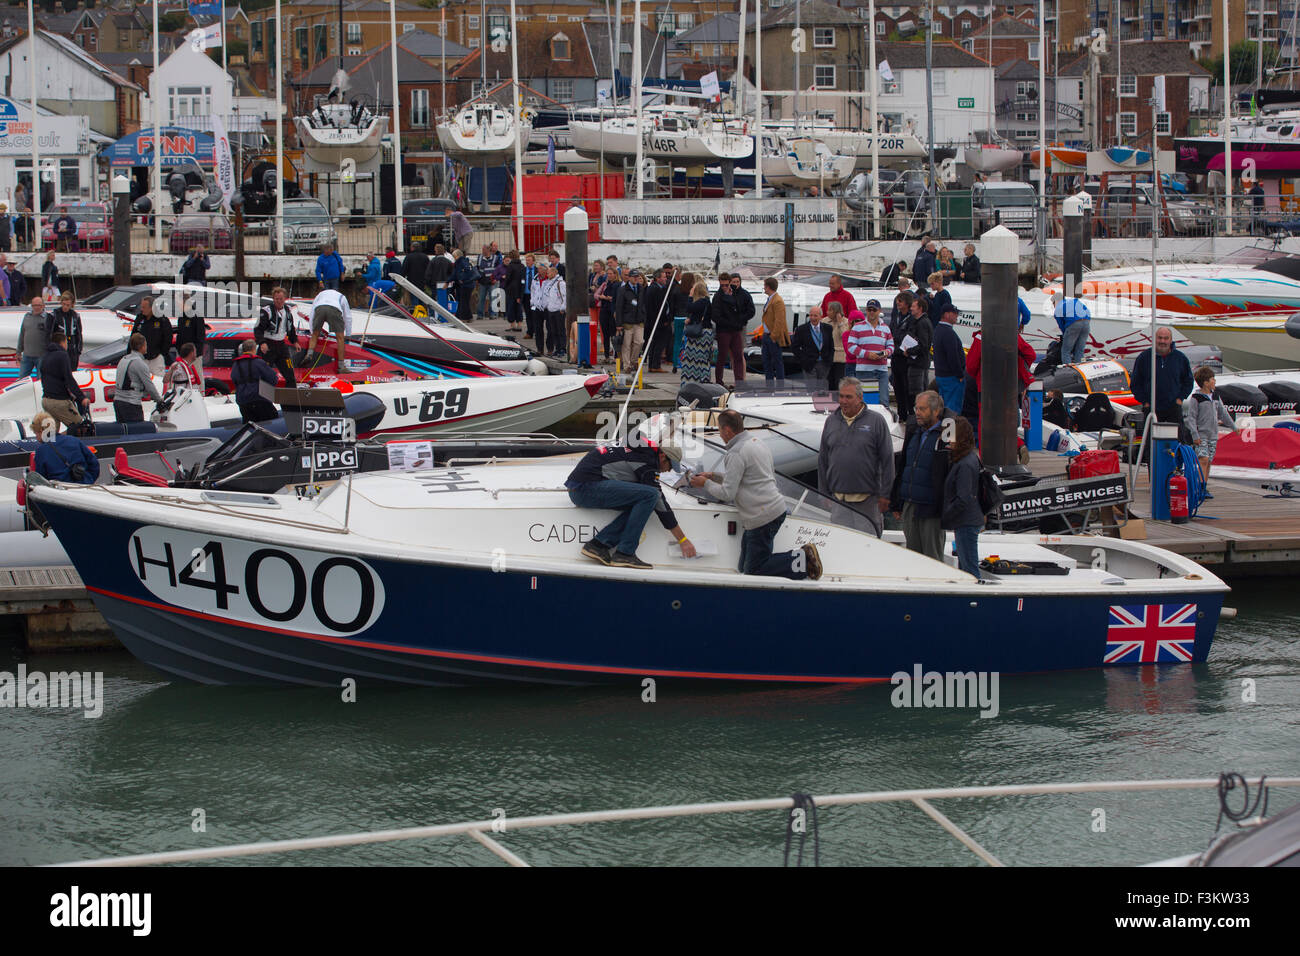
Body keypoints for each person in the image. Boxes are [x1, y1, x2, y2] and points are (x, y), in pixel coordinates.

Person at [688, 410, 823, 579]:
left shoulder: (735, 453)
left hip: (761, 518)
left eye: (720, 430)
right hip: (773, 510)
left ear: (728, 430)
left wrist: (705, 484)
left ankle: (803, 558)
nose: (720, 434)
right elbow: (746, 478)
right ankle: (798, 559)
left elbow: (727, 494)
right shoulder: (756, 442)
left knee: (753, 570)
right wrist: (713, 476)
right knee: (743, 567)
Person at [565, 438, 696, 570]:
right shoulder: (647, 462)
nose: (669, 471)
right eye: (671, 466)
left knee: (645, 503)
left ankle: (598, 545)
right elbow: (659, 501)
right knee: (651, 496)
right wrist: (682, 540)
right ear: (662, 456)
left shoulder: (642, 451)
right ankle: (625, 553)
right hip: (584, 489)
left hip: (581, 487)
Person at [818, 377, 895, 536]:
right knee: (841, 546)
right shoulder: (831, 421)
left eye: (849, 397)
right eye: (841, 396)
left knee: (868, 548)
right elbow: (823, 459)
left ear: (860, 398)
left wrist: (885, 495)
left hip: (868, 502)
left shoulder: (876, 421)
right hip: (838, 502)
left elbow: (888, 460)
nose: (844, 401)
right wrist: (823, 492)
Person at [892, 390, 953, 561]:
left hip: (932, 507)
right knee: (913, 557)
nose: (917, 412)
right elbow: (904, 465)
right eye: (916, 408)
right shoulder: (914, 430)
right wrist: (897, 501)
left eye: (923, 409)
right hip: (910, 503)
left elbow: (951, 469)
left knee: (932, 557)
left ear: (935, 411)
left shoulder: (948, 432)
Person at [1184, 365, 1239, 495]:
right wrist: (1194, 434)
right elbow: (1191, 418)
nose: (1215, 382)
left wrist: (1234, 427)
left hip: (1213, 435)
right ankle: (1199, 487)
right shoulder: (1196, 398)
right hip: (1201, 435)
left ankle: (1204, 486)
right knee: (1203, 459)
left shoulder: (1215, 397)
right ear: (1206, 383)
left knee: (1208, 461)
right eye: (1213, 379)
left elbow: (1223, 414)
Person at [942, 415, 984, 579]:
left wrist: (946, 516)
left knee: (969, 568)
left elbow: (963, 497)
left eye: (952, 436)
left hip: (966, 521)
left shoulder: (966, 464)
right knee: (965, 564)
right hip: (966, 520)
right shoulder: (967, 458)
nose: (949, 440)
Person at [1128, 326, 1194, 425]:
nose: (1162, 341)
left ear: (1171, 340)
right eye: (1160, 338)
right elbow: (1135, 383)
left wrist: (1180, 399)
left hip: (1173, 409)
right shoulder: (1144, 358)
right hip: (1151, 409)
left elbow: (1188, 381)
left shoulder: (1180, 358)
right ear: (1154, 339)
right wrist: (1145, 402)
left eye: (1166, 338)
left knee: (1176, 439)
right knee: (1150, 439)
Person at [39, 330, 88, 432]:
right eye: (66, 343)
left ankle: (51, 446)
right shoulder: (62, 355)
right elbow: (69, 379)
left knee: (50, 435)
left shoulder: (44, 356)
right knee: (81, 429)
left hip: (46, 401)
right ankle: (65, 443)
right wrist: (81, 397)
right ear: (62, 343)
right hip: (59, 402)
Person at [844, 302, 892, 404]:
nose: (871, 312)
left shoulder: (886, 328)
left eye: (874, 310)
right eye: (869, 310)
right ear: (866, 311)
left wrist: (885, 352)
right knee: (865, 401)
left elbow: (891, 346)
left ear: (879, 311)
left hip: (881, 370)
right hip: (864, 370)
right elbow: (851, 346)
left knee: (884, 400)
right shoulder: (857, 327)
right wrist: (867, 354)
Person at [30, 412, 98, 484]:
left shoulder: (41, 451)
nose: (36, 437)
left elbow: (41, 480)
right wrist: (89, 480)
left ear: (41, 431)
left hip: (60, 491)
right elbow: (94, 464)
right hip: (84, 487)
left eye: (35, 433)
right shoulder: (74, 440)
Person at [113, 332, 165, 424]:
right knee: (137, 432)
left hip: (118, 401)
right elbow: (149, 386)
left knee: (124, 432)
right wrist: (159, 400)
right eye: (146, 345)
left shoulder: (123, 359)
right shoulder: (139, 363)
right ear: (142, 347)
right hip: (131, 404)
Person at [256, 286, 299, 388]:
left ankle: (291, 398)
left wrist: (295, 341)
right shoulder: (266, 311)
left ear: (285, 299)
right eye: (276, 299)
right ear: (273, 299)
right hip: (268, 346)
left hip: (281, 346)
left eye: (281, 299)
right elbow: (258, 329)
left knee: (290, 375)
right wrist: (262, 343)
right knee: (264, 375)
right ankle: (261, 398)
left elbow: (290, 328)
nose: (279, 301)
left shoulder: (287, 311)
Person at [229, 340, 279, 423]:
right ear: (254, 349)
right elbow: (273, 378)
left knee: (249, 426)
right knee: (272, 422)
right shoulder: (259, 362)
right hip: (259, 399)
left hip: (243, 401)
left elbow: (234, 379)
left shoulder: (236, 365)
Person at [711, 273, 746, 386]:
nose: (724, 287)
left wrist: (741, 321)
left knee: (738, 356)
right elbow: (715, 316)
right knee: (722, 356)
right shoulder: (718, 297)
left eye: (726, 285)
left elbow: (743, 309)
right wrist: (730, 322)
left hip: (735, 329)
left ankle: (739, 381)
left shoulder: (736, 294)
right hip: (724, 330)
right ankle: (719, 381)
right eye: (722, 285)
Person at [307, 286, 351, 374]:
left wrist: (312, 330)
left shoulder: (320, 295)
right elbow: (347, 317)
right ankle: (341, 366)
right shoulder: (341, 297)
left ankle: (309, 354)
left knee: (315, 334)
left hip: (320, 307)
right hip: (334, 309)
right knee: (340, 338)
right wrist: (348, 334)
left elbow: (312, 312)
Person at [932, 302, 965, 413]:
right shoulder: (948, 332)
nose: (956, 316)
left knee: (944, 408)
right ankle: (951, 429)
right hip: (951, 377)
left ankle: (945, 428)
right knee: (952, 410)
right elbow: (952, 356)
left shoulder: (938, 330)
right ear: (946, 315)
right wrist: (960, 374)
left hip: (941, 375)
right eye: (954, 313)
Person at [680, 279, 715, 384]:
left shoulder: (702, 301)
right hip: (706, 333)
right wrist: (690, 319)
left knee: (695, 359)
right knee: (702, 359)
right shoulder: (706, 302)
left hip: (700, 335)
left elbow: (689, 308)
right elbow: (697, 315)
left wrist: (690, 297)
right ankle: (702, 380)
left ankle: (694, 380)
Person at [900, 295, 933, 405]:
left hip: (918, 363)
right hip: (921, 362)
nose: (911, 308)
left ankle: (919, 418)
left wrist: (909, 351)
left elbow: (924, 345)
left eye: (914, 306)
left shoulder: (922, 323)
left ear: (920, 309)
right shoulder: (922, 321)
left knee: (918, 394)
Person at [130, 296, 173, 376]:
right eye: (141, 307)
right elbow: (133, 336)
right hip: (141, 358)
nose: (141, 309)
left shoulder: (162, 320)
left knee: (159, 382)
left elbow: (168, 338)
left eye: (144, 307)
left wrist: (162, 353)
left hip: (156, 359)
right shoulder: (140, 318)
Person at [791, 304, 833, 385]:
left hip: (824, 364)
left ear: (821, 316)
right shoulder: (801, 329)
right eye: (811, 315)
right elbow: (794, 347)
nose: (813, 318)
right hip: (809, 365)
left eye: (815, 316)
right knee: (812, 390)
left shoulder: (828, 328)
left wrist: (829, 361)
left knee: (823, 390)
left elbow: (831, 346)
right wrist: (803, 359)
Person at [615, 268, 647, 370]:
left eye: (637, 277)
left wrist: (643, 315)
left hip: (639, 320)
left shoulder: (641, 288)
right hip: (627, 321)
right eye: (634, 277)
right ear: (629, 278)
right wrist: (618, 324)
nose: (636, 279)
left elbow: (643, 304)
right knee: (626, 344)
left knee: (639, 342)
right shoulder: (623, 290)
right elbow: (619, 307)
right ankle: (626, 365)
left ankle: (633, 361)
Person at [760, 276, 789, 385]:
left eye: (765, 286)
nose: (764, 288)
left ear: (768, 287)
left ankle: (780, 385)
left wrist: (774, 336)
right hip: (766, 335)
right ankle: (769, 386)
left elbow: (779, 320)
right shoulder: (770, 299)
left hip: (772, 336)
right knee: (766, 362)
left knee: (777, 362)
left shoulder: (777, 301)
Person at [889, 292, 914, 412]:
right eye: (897, 301)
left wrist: (897, 342)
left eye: (900, 301)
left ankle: (908, 413)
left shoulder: (911, 318)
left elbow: (908, 336)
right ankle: (901, 413)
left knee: (906, 387)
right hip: (895, 357)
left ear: (907, 303)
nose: (898, 303)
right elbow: (891, 332)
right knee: (897, 386)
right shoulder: (896, 316)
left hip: (905, 357)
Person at [644, 268, 672, 373]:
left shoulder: (658, 288)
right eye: (664, 277)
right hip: (658, 322)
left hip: (656, 321)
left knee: (655, 344)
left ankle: (653, 365)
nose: (666, 279)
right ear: (657, 278)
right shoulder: (655, 289)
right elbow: (657, 307)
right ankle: (655, 365)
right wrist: (664, 320)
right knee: (658, 344)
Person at [45, 291, 83, 369]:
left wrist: (78, 350)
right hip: (58, 349)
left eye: (68, 305)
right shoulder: (53, 315)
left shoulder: (76, 316)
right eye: (64, 304)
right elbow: (48, 334)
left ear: (72, 305)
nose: (65, 307)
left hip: (72, 351)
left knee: (72, 371)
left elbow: (79, 334)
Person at [1054, 289, 1092, 365]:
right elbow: (1088, 312)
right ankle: (1080, 368)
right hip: (1086, 322)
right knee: (1080, 349)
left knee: (1066, 350)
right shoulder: (1074, 301)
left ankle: (1068, 370)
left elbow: (1061, 326)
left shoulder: (1058, 308)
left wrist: (1066, 336)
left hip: (1074, 324)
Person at [16, 295, 46, 379]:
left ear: (43, 306)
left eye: (39, 305)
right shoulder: (27, 317)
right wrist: (18, 351)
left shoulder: (48, 318)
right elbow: (22, 334)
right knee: (21, 380)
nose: (36, 307)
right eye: (34, 305)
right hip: (27, 355)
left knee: (41, 381)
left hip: (41, 356)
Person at [543, 264, 567, 359]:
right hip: (551, 309)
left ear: (554, 273)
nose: (547, 274)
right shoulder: (549, 282)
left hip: (558, 310)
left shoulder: (560, 283)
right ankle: (557, 348)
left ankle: (562, 348)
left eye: (548, 273)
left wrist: (563, 308)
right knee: (553, 330)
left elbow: (565, 296)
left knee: (560, 330)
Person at [826, 300, 850, 393]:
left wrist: (840, 323)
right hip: (828, 357)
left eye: (830, 310)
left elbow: (844, 335)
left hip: (840, 358)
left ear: (836, 311)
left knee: (838, 382)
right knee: (829, 383)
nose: (827, 312)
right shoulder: (825, 321)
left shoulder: (846, 322)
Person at [503, 249, 526, 333]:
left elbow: (507, 278)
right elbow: (523, 279)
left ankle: (512, 325)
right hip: (520, 289)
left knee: (511, 307)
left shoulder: (510, 266)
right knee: (519, 307)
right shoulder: (522, 266)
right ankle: (519, 324)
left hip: (511, 290)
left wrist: (505, 286)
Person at [452, 248, 477, 325]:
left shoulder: (461, 262)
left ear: (457, 256)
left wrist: (461, 279)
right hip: (469, 284)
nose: (454, 258)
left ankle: (464, 317)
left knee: (463, 301)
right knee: (465, 301)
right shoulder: (466, 261)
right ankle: (468, 316)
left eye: (454, 256)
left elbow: (460, 272)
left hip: (465, 284)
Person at [475, 244, 499, 320]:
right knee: (481, 298)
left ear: (488, 250)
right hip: (482, 282)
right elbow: (477, 269)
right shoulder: (479, 258)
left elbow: (499, 270)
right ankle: (480, 315)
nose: (482, 251)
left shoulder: (496, 258)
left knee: (493, 298)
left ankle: (493, 314)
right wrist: (477, 280)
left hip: (492, 282)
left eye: (483, 250)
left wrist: (496, 279)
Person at [427, 243, 454, 311]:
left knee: (434, 302)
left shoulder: (433, 261)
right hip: (446, 285)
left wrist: (429, 284)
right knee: (445, 301)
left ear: (436, 251)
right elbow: (452, 274)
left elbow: (428, 274)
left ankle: (435, 315)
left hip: (435, 285)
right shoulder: (448, 262)